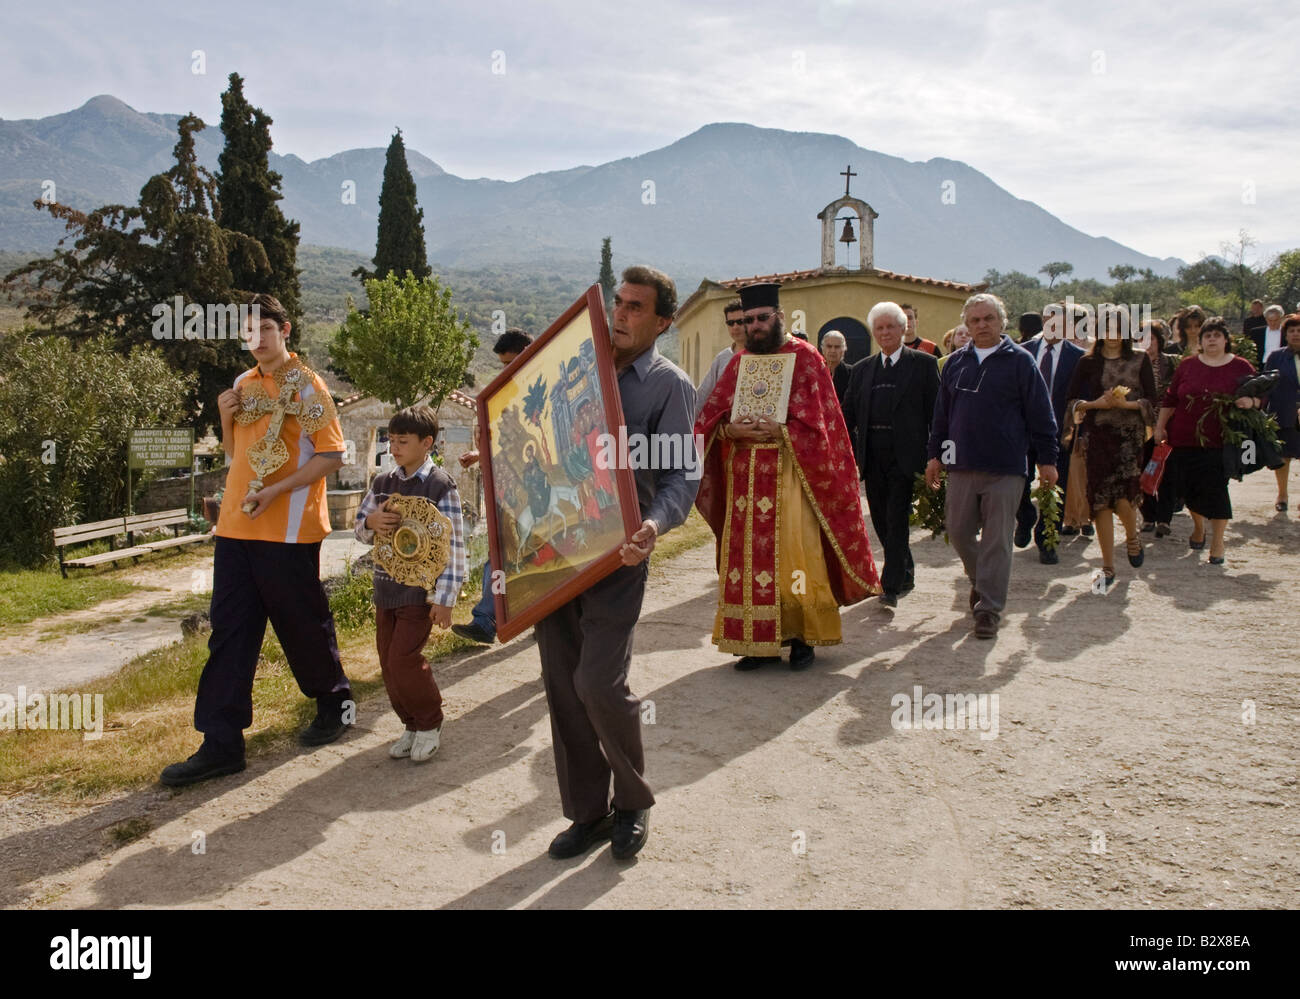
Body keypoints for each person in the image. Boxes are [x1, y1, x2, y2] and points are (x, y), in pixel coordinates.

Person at [535, 265, 698, 862]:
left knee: (598, 683)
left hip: (618, 556)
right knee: (561, 684)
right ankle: (589, 813)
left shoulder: (668, 386)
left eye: (635, 308)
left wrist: (654, 525)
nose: (621, 315)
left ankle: (633, 803)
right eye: (618, 303)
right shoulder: (570, 370)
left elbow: (684, 473)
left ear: (662, 322)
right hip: (552, 554)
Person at [161, 294, 352, 787]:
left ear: (284, 330)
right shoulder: (242, 385)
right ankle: (221, 744)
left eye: (265, 328)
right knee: (229, 632)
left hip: (287, 531)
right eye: (248, 331)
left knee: (301, 622)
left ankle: (334, 702)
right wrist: (226, 417)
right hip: (235, 528)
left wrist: (277, 491)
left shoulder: (308, 386)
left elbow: (331, 455)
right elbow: (235, 457)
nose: (257, 339)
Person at [696, 282, 880, 670]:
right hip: (745, 478)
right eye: (748, 321)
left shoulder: (807, 358)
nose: (755, 326)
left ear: (779, 317)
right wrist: (731, 432)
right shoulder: (738, 362)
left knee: (795, 555)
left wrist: (781, 431)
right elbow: (709, 418)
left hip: (793, 476)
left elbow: (823, 426)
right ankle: (755, 641)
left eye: (762, 318)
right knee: (748, 560)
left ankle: (801, 636)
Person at [925, 293, 1058, 640]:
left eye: (988, 319)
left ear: (1002, 322)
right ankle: (981, 582)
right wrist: (934, 455)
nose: (981, 326)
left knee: (998, 540)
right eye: (974, 321)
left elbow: (1041, 415)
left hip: (1007, 466)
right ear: (966, 326)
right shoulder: (955, 363)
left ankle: (988, 610)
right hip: (961, 464)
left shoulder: (1021, 362)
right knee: (957, 531)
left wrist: (1048, 460)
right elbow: (942, 415)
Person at [354, 405, 466, 762]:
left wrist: (445, 598)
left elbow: (454, 546)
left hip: (421, 592)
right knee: (387, 661)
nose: (394, 447)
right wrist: (371, 522)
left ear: (427, 443)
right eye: (391, 439)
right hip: (386, 589)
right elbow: (360, 528)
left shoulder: (440, 486)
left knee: (403, 658)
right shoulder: (382, 483)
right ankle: (411, 725)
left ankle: (431, 721)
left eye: (403, 440)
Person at [843, 302, 939, 607]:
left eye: (891, 327)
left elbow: (936, 413)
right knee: (882, 521)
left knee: (897, 517)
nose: (885, 333)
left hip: (906, 455)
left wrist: (935, 455)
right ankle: (905, 570)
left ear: (903, 329)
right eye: (879, 328)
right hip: (872, 455)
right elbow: (847, 415)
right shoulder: (861, 370)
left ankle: (890, 584)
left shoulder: (923, 365)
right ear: (874, 332)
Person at [1061, 306, 1157, 590]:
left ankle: (1131, 537)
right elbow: (1071, 400)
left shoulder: (1139, 359)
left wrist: (1127, 404)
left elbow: (1152, 399)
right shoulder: (1087, 361)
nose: (1112, 336)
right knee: (1100, 501)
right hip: (1096, 436)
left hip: (1129, 437)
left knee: (1125, 498)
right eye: (1107, 329)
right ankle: (1107, 565)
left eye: (1118, 329)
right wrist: (1094, 405)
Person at [1154, 318, 1262, 564]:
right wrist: (1160, 426)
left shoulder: (1240, 366)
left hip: (1221, 441)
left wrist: (1251, 402)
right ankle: (1199, 527)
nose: (1212, 339)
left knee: (1216, 489)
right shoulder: (1188, 365)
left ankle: (1218, 541)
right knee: (1189, 487)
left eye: (1217, 335)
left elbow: (1260, 398)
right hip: (1183, 438)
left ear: (1226, 340)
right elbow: (1171, 398)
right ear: (1200, 341)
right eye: (1207, 335)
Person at [453, 328, 532, 645]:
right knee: (499, 552)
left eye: (510, 362)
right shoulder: (502, 394)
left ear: (528, 354)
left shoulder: (542, 390)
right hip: (505, 488)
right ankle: (486, 621)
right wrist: (480, 453)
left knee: (539, 553)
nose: (505, 369)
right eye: (501, 364)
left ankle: (547, 616)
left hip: (538, 489)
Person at [1015, 302, 1085, 563]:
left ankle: (1047, 539)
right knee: (1019, 481)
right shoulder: (1023, 351)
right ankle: (1024, 517)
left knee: (1055, 485)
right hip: (1023, 430)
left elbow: (1082, 397)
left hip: (1059, 432)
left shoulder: (1077, 357)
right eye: (1049, 319)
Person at [1138, 320, 1180, 536]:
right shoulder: (1133, 363)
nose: (1147, 343)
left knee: (1167, 472)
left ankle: (1164, 519)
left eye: (1151, 339)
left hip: (1167, 425)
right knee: (1143, 469)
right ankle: (1148, 516)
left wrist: (1162, 424)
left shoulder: (1172, 363)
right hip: (1139, 425)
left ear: (1159, 341)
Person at [1263, 314, 1300, 512]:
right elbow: (1266, 386)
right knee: (1284, 456)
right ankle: (1282, 494)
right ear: (1285, 335)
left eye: (1299, 330)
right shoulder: (1276, 357)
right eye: (1291, 331)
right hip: (1283, 413)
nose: (1296, 334)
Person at [696, 299, 746, 417]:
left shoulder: (761, 356)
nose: (735, 327)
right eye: (730, 323)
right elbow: (702, 396)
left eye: (740, 322)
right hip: (723, 427)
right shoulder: (722, 358)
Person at [820, 329, 854, 407]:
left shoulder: (853, 373)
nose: (833, 350)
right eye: (829, 346)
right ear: (822, 348)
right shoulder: (815, 372)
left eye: (837, 347)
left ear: (844, 349)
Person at [1249, 305, 1286, 369]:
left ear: (1281, 318)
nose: (1273, 323)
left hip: (1282, 365)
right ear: (1266, 319)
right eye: (1270, 320)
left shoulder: (1286, 333)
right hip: (1262, 366)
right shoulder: (1256, 332)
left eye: (1276, 320)